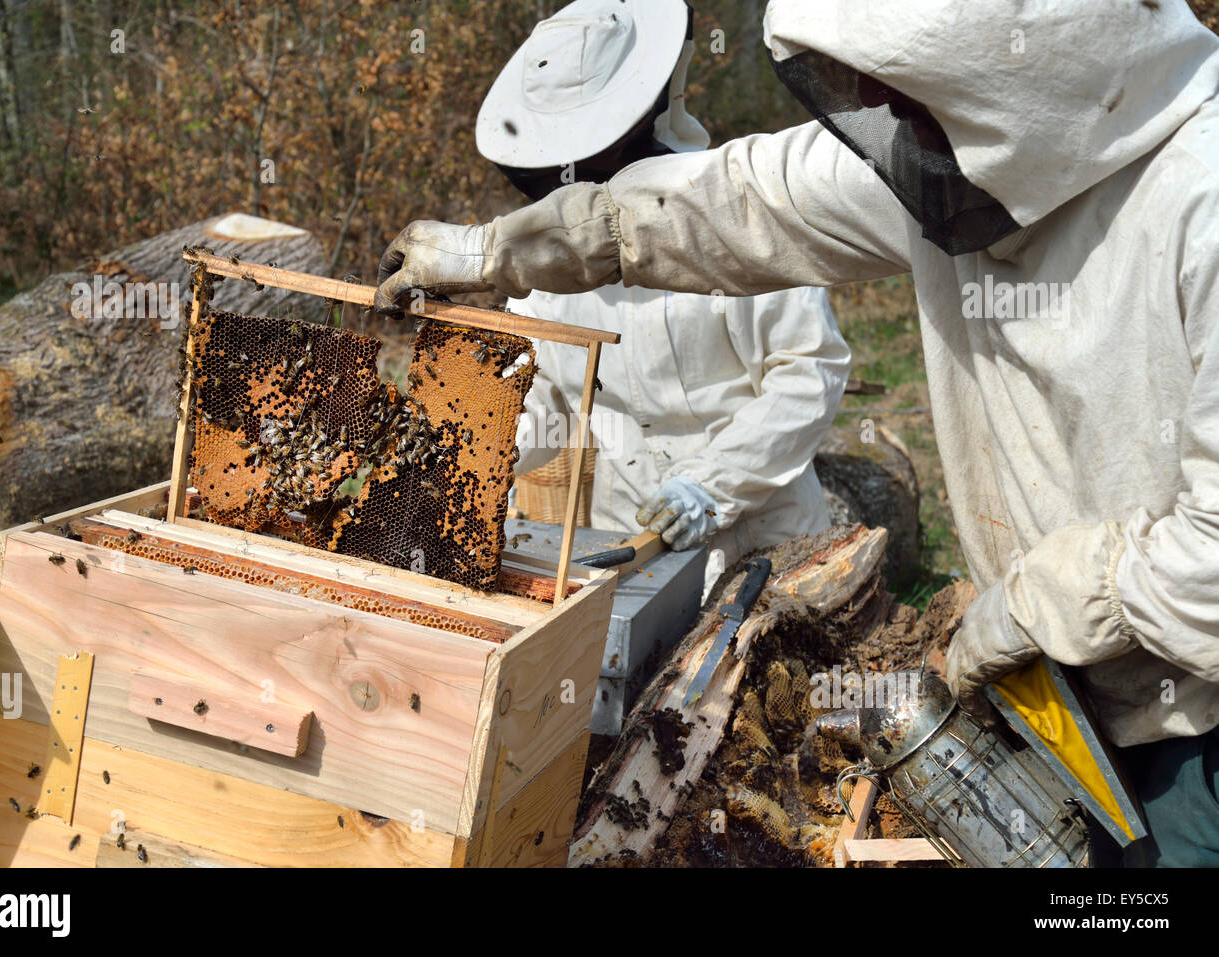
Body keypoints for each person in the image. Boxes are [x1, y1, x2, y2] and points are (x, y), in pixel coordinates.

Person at [377, 0, 1219, 866]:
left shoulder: (1200, 190)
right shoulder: (955, 156)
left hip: (1193, 715)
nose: (882, 119)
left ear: (994, 77)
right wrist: (493, 253)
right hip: (1053, 691)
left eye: (901, 95)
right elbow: (738, 201)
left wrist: (1034, 605)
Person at [475, 0, 849, 587]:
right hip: (629, 546)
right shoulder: (542, 263)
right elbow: (538, 398)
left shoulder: (736, 215)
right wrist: (471, 456)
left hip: (768, 542)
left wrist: (707, 486)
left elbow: (808, 371)